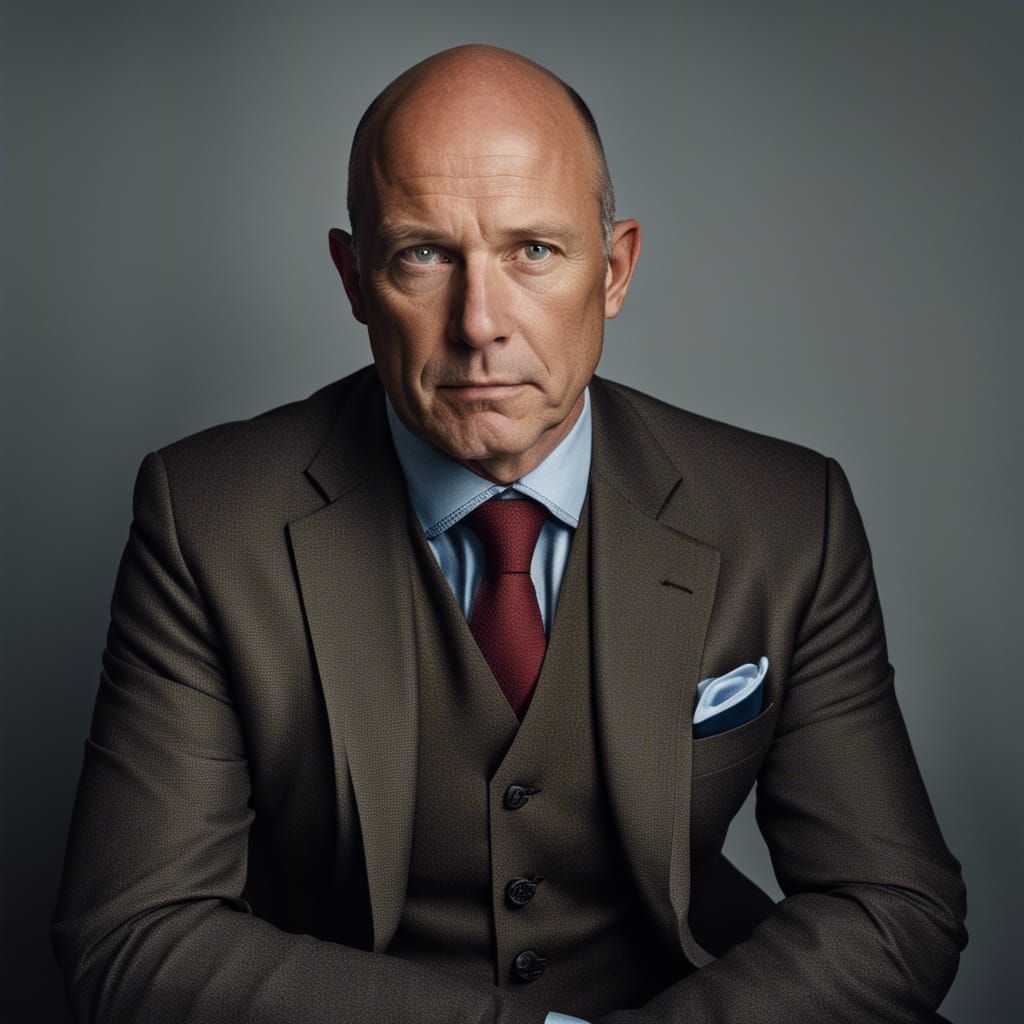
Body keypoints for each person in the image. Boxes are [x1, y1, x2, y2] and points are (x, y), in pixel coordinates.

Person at [52, 44, 967, 1024]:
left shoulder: (784, 515)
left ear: (613, 270)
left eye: (533, 251)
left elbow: (893, 904)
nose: (479, 323)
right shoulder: (207, 519)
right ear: (354, 279)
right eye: (423, 254)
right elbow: (133, 935)